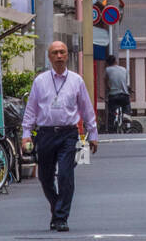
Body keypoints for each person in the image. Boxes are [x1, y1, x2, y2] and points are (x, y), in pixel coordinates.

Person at [22, 41, 98, 231]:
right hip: (45, 133)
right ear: (49, 57)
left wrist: (93, 134)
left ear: (66, 56)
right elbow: (31, 109)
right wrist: (26, 134)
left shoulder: (76, 80)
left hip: (68, 134)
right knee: (45, 177)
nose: (59, 56)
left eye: (62, 52)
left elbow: (86, 108)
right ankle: (56, 207)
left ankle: (61, 217)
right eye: (55, 52)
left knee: (65, 175)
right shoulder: (40, 81)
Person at [104, 55, 131, 133]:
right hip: (124, 95)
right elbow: (125, 82)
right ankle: (126, 114)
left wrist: (108, 88)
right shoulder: (124, 69)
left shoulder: (107, 69)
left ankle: (110, 127)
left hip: (113, 95)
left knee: (111, 112)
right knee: (126, 105)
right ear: (116, 61)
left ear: (107, 63)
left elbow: (105, 81)